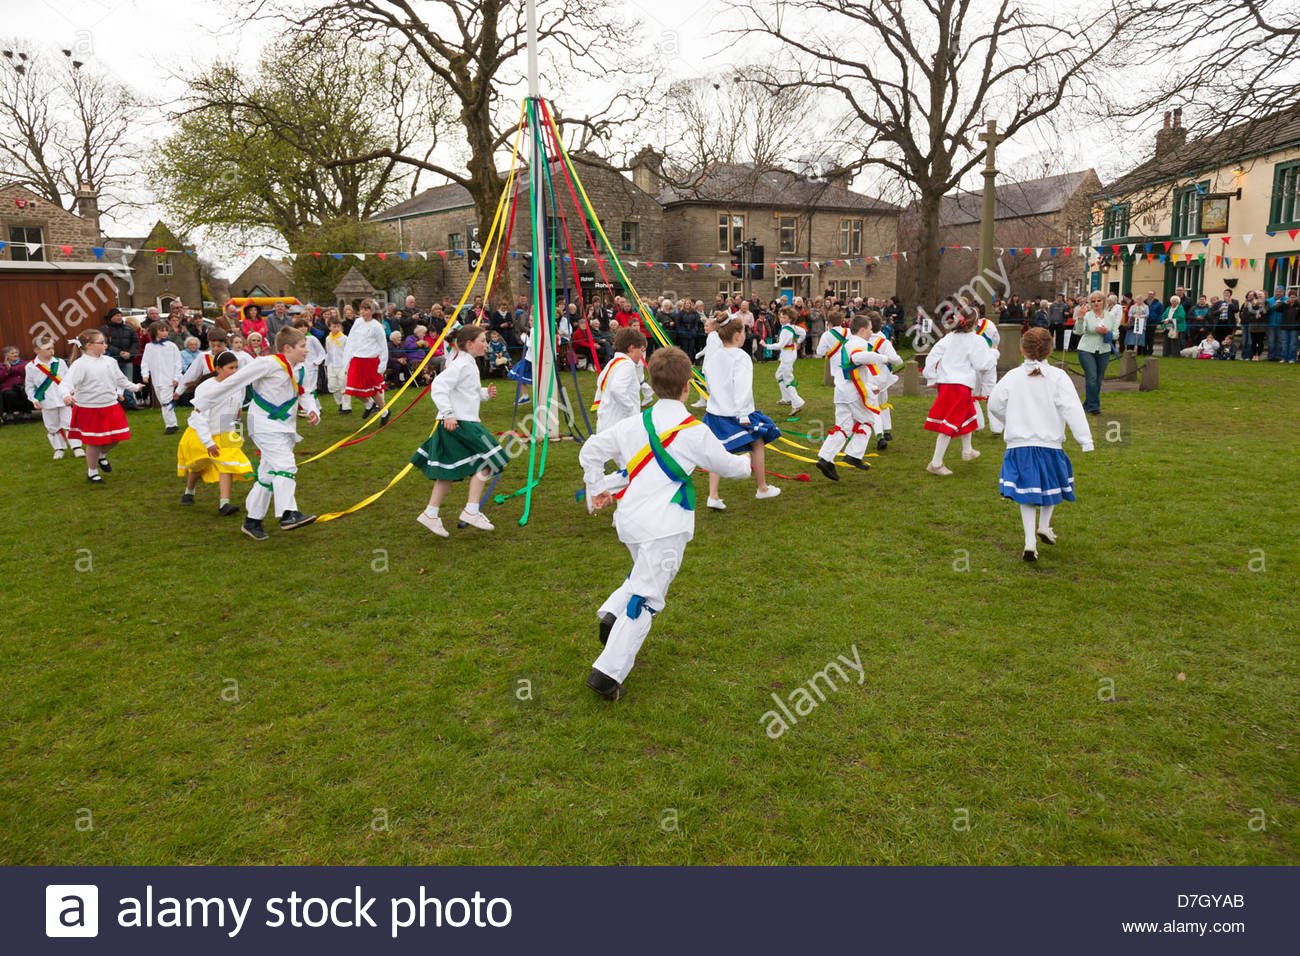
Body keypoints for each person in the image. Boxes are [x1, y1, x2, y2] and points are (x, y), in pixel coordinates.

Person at [578, 347, 752, 700]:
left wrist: (597, 486)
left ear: (652, 384)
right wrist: (749, 462)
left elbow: (589, 452)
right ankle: (607, 674)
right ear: (688, 386)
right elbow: (728, 466)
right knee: (647, 597)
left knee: (643, 573)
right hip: (665, 526)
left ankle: (612, 615)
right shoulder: (695, 432)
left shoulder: (632, 424)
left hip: (629, 522)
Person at [196, 327, 320, 540]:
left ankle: (252, 521)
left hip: (286, 427)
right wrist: (202, 403)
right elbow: (235, 380)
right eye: (302, 347)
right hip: (263, 425)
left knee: (268, 475)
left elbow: (305, 392)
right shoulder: (267, 363)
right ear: (288, 348)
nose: (307, 351)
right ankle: (288, 514)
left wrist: (311, 409)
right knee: (286, 466)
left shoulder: (301, 368)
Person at [986, 327, 1093, 562]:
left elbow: (993, 404)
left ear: (1022, 349)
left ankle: (1030, 541)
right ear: (1050, 350)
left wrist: (1007, 421)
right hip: (1049, 444)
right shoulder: (1058, 377)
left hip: (1019, 446)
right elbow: (1073, 408)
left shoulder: (1013, 376)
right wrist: (1085, 440)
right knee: (1049, 486)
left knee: (1027, 494)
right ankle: (1043, 526)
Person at [410, 325, 509, 537]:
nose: (486, 344)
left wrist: (484, 394)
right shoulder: (461, 364)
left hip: (462, 421)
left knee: (448, 471)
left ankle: (431, 513)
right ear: (469, 344)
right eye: (483, 340)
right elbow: (438, 386)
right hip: (460, 423)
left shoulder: (467, 363)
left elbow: (466, 391)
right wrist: (448, 414)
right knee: (492, 459)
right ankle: (471, 510)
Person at [700, 313, 782, 509]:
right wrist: (744, 415)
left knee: (718, 449)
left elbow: (709, 382)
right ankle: (761, 488)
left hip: (716, 411)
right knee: (758, 441)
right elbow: (743, 387)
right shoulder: (741, 357)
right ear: (737, 335)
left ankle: (713, 495)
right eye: (744, 331)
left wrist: (716, 399)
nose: (746, 335)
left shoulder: (713, 356)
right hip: (737, 412)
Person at [176, 349, 252, 514]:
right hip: (203, 432)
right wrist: (208, 442)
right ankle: (189, 490)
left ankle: (224, 503)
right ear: (218, 369)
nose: (235, 372)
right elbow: (200, 417)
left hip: (226, 430)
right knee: (197, 465)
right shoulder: (206, 388)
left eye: (236, 368)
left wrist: (237, 409)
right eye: (230, 368)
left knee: (227, 463)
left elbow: (237, 399)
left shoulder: (236, 385)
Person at [63, 329, 145, 482]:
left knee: (117, 437)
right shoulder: (80, 364)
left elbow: (120, 379)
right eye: (101, 343)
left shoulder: (110, 361)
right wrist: (66, 395)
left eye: (105, 342)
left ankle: (101, 456)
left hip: (110, 405)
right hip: (89, 408)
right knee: (94, 442)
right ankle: (92, 472)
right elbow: (66, 383)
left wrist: (135, 387)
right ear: (89, 345)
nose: (105, 346)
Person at [922, 313, 998, 475]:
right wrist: (994, 354)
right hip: (960, 386)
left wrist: (932, 377)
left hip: (946, 384)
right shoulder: (977, 340)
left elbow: (932, 357)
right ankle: (935, 463)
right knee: (951, 422)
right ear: (976, 323)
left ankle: (967, 450)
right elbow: (982, 364)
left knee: (969, 414)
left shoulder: (949, 338)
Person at [814, 313, 888, 479]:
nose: (871, 332)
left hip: (841, 389)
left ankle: (825, 458)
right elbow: (857, 358)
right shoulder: (858, 343)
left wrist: (873, 384)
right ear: (862, 330)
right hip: (853, 391)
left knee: (843, 426)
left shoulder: (852, 341)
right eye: (869, 329)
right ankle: (854, 455)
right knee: (868, 420)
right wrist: (883, 357)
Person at [24, 337, 82, 458]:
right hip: (46, 400)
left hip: (63, 399)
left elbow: (68, 380)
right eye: (47, 349)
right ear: (36, 350)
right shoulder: (31, 366)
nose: (51, 351)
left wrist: (71, 394)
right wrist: (34, 400)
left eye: (52, 348)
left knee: (69, 422)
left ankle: (77, 447)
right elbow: (29, 386)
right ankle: (59, 448)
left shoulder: (59, 362)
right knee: (52, 425)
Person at [591, 328, 653, 433]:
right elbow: (617, 389)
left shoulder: (612, 363)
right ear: (631, 348)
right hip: (619, 424)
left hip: (606, 421)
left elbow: (600, 386)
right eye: (641, 350)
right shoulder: (627, 365)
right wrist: (633, 412)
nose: (642, 355)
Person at [343, 299, 389, 421]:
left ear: (372, 311)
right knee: (352, 388)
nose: (363, 312)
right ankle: (369, 405)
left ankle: (384, 411)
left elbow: (383, 347)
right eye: (362, 309)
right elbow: (351, 340)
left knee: (373, 390)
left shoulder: (377, 326)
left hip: (370, 361)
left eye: (366, 309)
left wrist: (382, 364)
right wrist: (347, 358)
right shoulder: (358, 322)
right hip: (357, 359)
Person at [866, 313, 903, 449]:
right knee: (883, 403)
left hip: (869, 378)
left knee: (874, 406)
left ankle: (880, 435)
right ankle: (887, 430)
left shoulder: (863, 341)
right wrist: (899, 361)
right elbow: (895, 359)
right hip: (883, 379)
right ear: (881, 325)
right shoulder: (885, 342)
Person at [140, 321, 184, 434]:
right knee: (163, 402)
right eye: (161, 330)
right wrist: (145, 374)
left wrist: (177, 377)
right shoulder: (149, 347)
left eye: (166, 330)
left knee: (165, 402)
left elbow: (178, 363)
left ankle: (170, 425)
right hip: (156, 379)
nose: (165, 333)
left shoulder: (172, 346)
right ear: (155, 332)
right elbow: (145, 362)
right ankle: (173, 423)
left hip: (169, 379)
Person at [763, 305, 807, 413]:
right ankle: (786, 398)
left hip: (788, 356)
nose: (781, 319)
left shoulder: (787, 330)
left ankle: (797, 403)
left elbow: (780, 345)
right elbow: (803, 333)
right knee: (778, 375)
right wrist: (798, 342)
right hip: (789, 354)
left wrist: (766, 345)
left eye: (784, 317)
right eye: (780, 317)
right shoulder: (792, 327)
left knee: (788, 379)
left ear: (790, 319)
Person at [1076, 291, 1113, 415]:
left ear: (1104, 301)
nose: (1096, 303)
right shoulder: (1087, 315)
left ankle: (1087, 405)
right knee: (1091, 377)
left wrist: (1108, 332)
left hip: (1104, 350)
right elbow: (1079, 331)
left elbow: (1117, 333)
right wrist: (1080, 318)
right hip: (1086, 349)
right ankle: (1094, 407)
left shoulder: (1110, 316)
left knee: (1098, 380)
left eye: (1099, 300)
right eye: (1093, 301)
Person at [99, 307, 140, 409]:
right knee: (112, 383)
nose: (119, 317)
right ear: (110, 317)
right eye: (117, 315)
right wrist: (119, 352)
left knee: (127, 382)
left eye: (120, 315)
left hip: (127, 360)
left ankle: (131, 404)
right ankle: (116, 405)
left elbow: (136, 343)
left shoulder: (128, 329)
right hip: (112, 361)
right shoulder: (104, 329)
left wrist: (130, 353)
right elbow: (105, 344)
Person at [293, 317, 328, 407]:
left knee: (311, 388)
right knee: (303, 388)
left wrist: (316, 362)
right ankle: (316, 407)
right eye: (300, 326)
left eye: (305, 326)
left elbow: (322, 352)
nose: (303, 328)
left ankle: (312, 408)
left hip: (312, 368)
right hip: (300, 368)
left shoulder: (312, 339)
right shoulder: (293, 341)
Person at [323, 316, 350, 412]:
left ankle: (346, 407)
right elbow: (328, 351)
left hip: (342, 365)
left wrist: (347, 365)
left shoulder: (344, 338)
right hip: (331, 365)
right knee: (332, 386)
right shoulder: (328, 339)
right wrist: (327, 363)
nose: (336, 329)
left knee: (343, 385)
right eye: (334, 327)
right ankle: (340, 403)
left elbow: (348, 352)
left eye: (338, 326)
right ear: (329, 327)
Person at [0, 346, 32, 422]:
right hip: (8, 387)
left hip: (23, 386)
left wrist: (11, 368)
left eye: (16, 352)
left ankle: (27, 413)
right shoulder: (1, 365)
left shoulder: (24, 363)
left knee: (26, 392)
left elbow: (24, 370)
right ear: (6, 355)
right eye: (12, 353)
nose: (15, 354)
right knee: (9, 394)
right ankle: (9, 414)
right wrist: (6, 369)